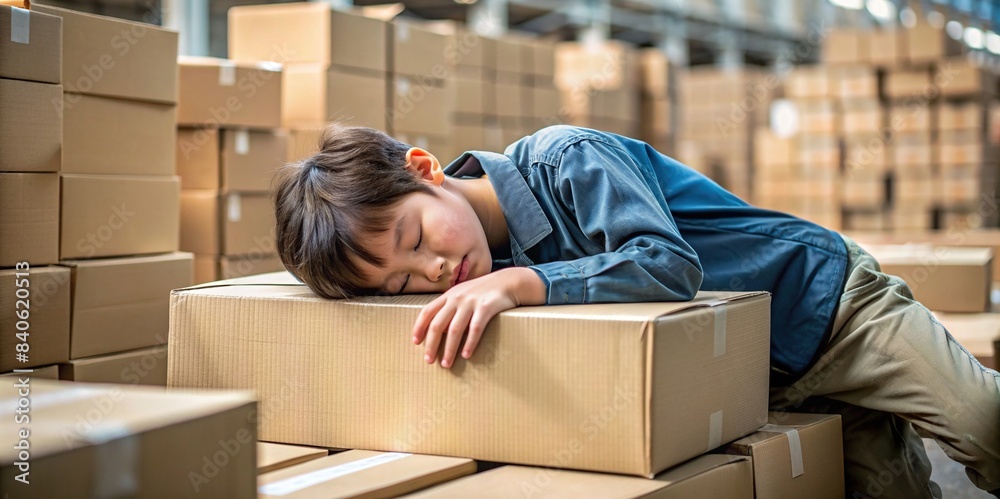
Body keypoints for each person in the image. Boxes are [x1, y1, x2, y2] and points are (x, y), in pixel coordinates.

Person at [272, 123, 1000, 498]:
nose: (430, 271)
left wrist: (523, 283)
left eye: (415, 238)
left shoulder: (566, 159)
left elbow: (668, 266)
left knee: (980, 420)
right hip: (761, 382)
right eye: (401, 285)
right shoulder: (468, 279)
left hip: (826, 302)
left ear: (426, 171)